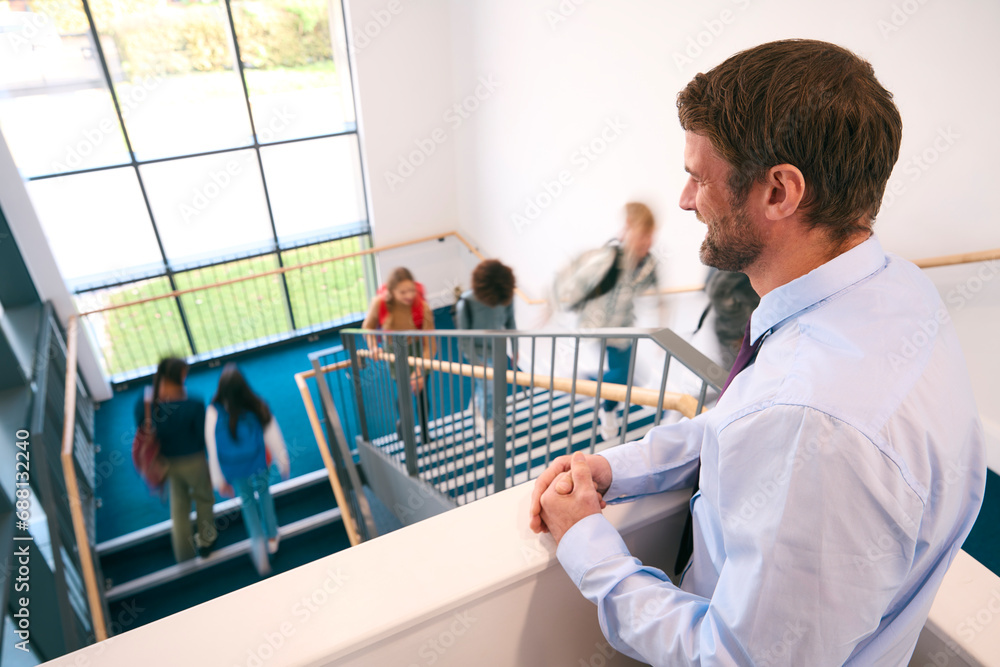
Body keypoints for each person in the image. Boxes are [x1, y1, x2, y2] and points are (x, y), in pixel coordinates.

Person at [529, 39, 986, 666]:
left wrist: (586, 542)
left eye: (699, 176)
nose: (685, 199)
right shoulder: (895, 291)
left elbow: (734, 659)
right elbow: (745, 423)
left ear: (778, 192)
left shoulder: (815, 424)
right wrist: (619, 467)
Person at [570, 202, 659, 441]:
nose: (647, 242)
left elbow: (658, 294)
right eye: (642, 236)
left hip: (622, 326)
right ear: (628, 229)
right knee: (624, 376)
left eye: (650, 236)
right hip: (598, 324)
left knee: (629, 376)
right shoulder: (609, 256)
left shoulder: (647, 261)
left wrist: (661, 322)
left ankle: (598, 394)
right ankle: (595, 392)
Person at [205, 364, 289, 576]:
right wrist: (283, 462)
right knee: (264, 494)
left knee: (247, 502)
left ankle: (258, 544)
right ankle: (272, 537)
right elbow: (273, 435)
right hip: (260, 462)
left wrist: (218, 480)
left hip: (235, 469)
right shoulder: (257, 404)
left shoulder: (213, 411)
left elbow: (212, 448)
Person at [133, 357, 217, 562]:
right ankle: (206, 542)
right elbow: (202, 437)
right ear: (180, 375)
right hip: (194, 461)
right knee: (204, 499)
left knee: (179, 506)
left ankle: (184, 553)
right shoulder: (194, 404)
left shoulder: (145, 403)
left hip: (166, 463)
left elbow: (142, 428)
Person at [362, 267, 437, 444]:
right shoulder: (379, 303)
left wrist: (419, 370)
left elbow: (430, 344)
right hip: (395, 352)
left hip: (418, 352)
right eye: (403, 292)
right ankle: (404, 425)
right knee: (403, 394)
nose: (409, 295)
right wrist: (373, 346)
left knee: (421, 394)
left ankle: (424, 430)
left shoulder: (422, 307)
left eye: (411, 290)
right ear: (391, 291)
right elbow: (367, 327)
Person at [455, 259, 517, 440]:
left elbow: (510, 322)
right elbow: (464, 337)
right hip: (479, 352)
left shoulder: (505, 295)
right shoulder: (466, 302)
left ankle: (478, 405)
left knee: (490, 386)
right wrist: (476, 362)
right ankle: (486, 418)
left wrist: (515, 349)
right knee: (489, 388)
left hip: (498, 350)